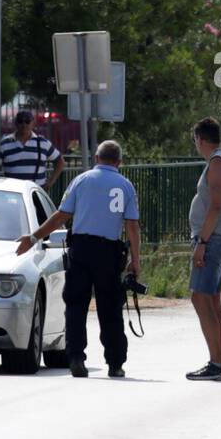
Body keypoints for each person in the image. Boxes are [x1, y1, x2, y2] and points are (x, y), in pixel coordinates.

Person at [15, 140, 141, 379]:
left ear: (96, 158)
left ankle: (76, 358)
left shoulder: (81, 181)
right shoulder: (125, 186)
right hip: (109, 251)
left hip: (81, 249)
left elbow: (61, 216)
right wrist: (136, 260)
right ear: (119, 162)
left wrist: (33, 237)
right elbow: (132, 226)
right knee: (110, 309)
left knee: (75, 306)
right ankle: (115, 363)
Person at [185, 117, 221, 381]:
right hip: (219, 236)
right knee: (211, 299)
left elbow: (217, 206)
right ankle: (218, 361)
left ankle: (217, 363)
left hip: (213, 238)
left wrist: (203, 243)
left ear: (200, 139)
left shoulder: (218, 163)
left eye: (195, 139)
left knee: (200, 296)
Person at [0, 110, 65, 193]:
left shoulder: (42, 143)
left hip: (35, 193)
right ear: (16, 123)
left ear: (33, 124)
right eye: (20, 121)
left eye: (27, 121)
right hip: (12, 192)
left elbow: (60, 161)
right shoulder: (4, 144)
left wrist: (50, 182)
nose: (24, 125)